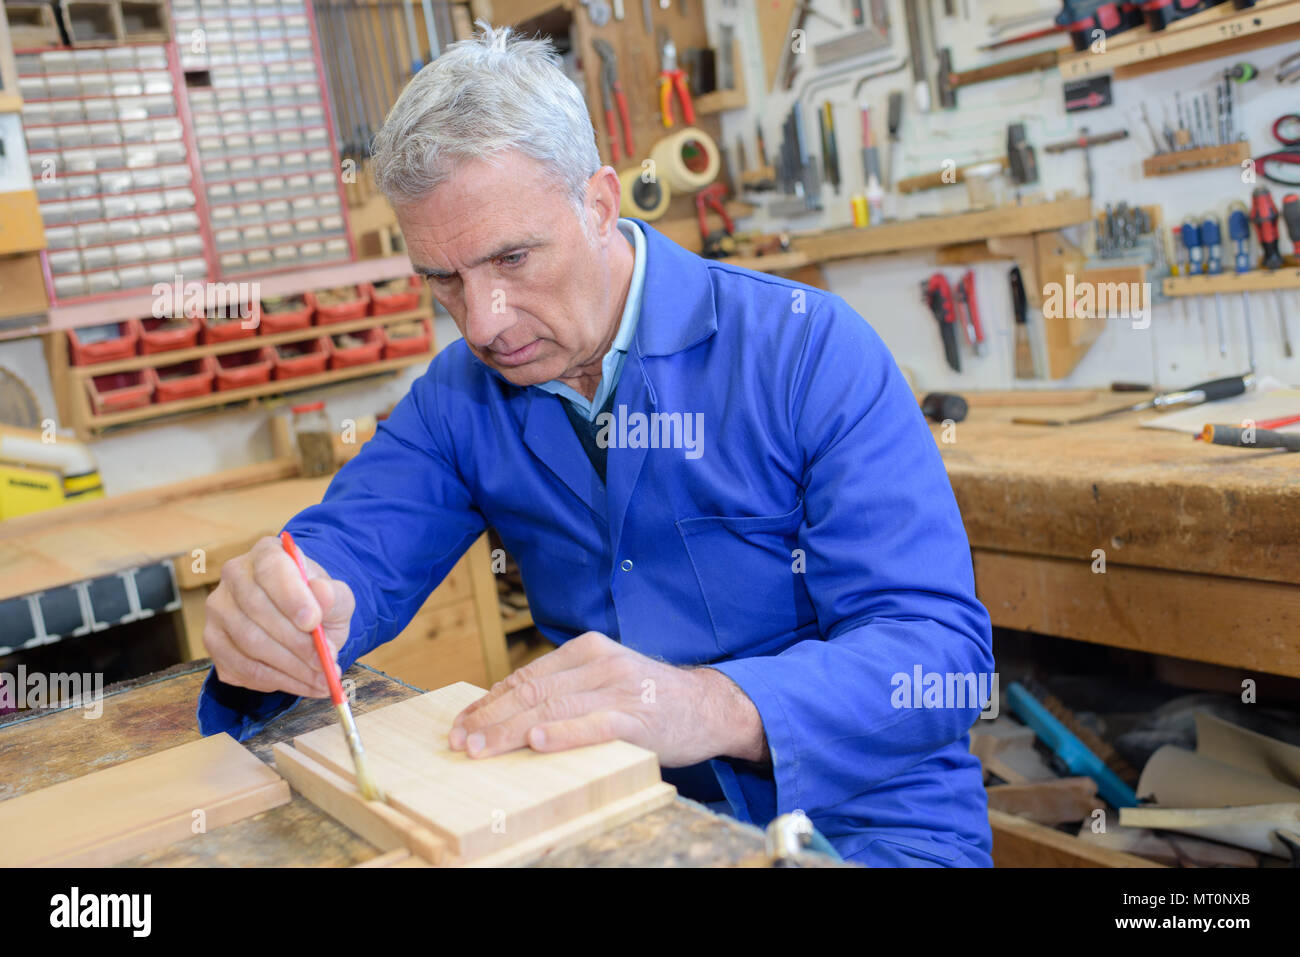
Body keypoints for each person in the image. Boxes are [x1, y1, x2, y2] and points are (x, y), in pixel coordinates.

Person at [197, 24, 995, 867]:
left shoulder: (805, 349)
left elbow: (936, 651)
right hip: (622, 817)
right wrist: (290, 603)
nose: (484, 321)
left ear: (601, 203)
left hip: (866, 822)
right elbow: (349, 547)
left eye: (512, 258)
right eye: (443, 280)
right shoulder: (461, 395)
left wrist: (710, 704)